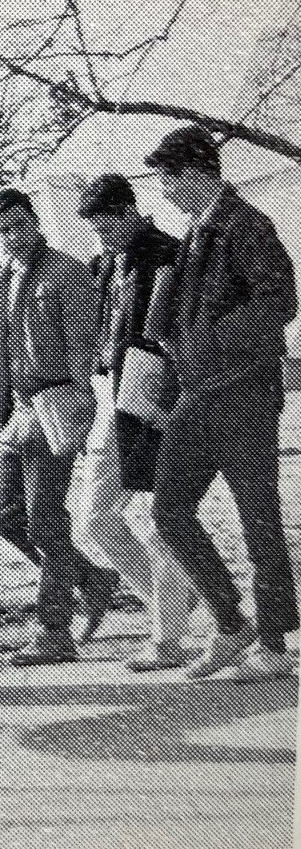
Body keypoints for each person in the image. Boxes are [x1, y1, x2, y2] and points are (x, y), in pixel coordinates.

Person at [143, 126, 298, 682]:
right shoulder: (197, 232)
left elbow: (280, 299)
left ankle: (275, 643)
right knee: (168, 512)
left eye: (167, 179)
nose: (164, 192)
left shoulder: (245, 224)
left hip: (242, 396)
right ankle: (233, 625)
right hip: (196, 396)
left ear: (195, 173)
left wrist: (207, 346)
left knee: (258, 519)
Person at [0, 186, 119, 667]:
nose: (14, 237)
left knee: (45, 521)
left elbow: (87, 352)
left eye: (20, 226)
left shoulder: (67, 272)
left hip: (55, 405)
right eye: (3, 230)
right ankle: (93, 579)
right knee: (7, 520)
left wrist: (80, 413)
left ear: (36, 222)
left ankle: (53, 632)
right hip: (16, 410)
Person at [74, 174, 196, 672]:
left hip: (150, 386)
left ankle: (167, 635)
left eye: (107, 228)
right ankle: (177, 603)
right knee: (94, 520)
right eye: (96, 232)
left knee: (160, 513)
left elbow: (171, 331)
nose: (101, 239)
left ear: (129, 211)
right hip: (109, 391)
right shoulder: (106, 262)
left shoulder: (166, 255)